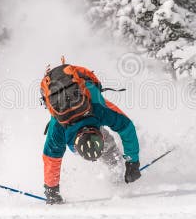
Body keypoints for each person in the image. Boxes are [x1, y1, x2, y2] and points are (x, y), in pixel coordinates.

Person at [40, 62, 141, 205]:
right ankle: (116, 169)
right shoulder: (58, 128)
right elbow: (51, 158)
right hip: (70, 105)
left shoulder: (99, 108)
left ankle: (117, 173)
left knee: (108, 147)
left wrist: (132, 161)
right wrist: (51, 190)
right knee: (108, 147)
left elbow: (126, 126)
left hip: (89, 95)